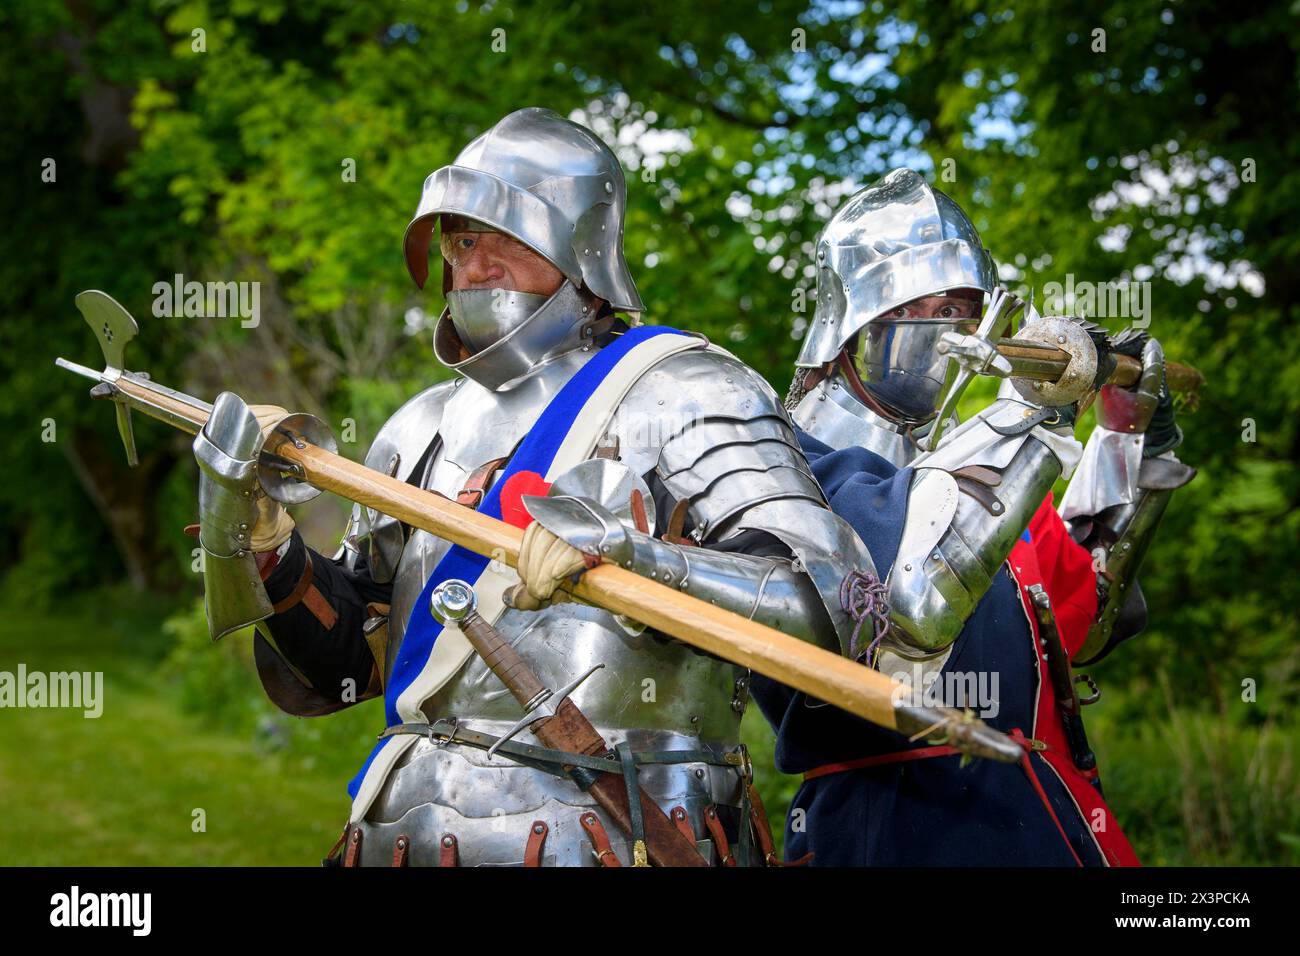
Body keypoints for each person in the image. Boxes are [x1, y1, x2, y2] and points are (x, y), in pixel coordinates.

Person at [189, 107, 872, 867]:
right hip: (404, 840)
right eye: (462, 241)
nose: (475, 268)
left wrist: (635, 559)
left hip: (621, 833)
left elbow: (832, 606)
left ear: (581, 246)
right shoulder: (419, 427)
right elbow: (353, 666)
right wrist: (265, 546)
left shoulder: (686, 389)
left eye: (506, 238)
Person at [764, 168, 1195, 865]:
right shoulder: (786, 466)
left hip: (1043, 816)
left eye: (968, 309)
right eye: (930, 307)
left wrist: (1124, 435)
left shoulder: (987, 479)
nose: (954, 330)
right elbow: (913, 607)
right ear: (857, 324)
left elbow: (1086, 617)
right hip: (893, 832)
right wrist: (1036, 408)